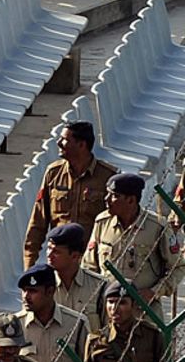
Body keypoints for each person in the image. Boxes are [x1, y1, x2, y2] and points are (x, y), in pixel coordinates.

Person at [84, 173, 185, 319]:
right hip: (109, 313)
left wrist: (154, 291)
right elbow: (89, 266)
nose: (107, 200)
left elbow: (178, 267)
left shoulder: (156, 227)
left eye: (114, 196)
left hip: (144, 314)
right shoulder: (102, 223)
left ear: (131, 200)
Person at [23, 120, 116, 268]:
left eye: (65, 140)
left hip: (92, 262)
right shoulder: (53, 173)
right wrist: (29, 266)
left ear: (82, 145)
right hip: (59, 259)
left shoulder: (107, 177)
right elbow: (38, 223)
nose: (59, 143)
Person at [46, 222, 104, 331]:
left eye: (56, 252)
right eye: (49, 248)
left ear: (74, 256)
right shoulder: (43, 287)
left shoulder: (99, 286)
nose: (49, 254)